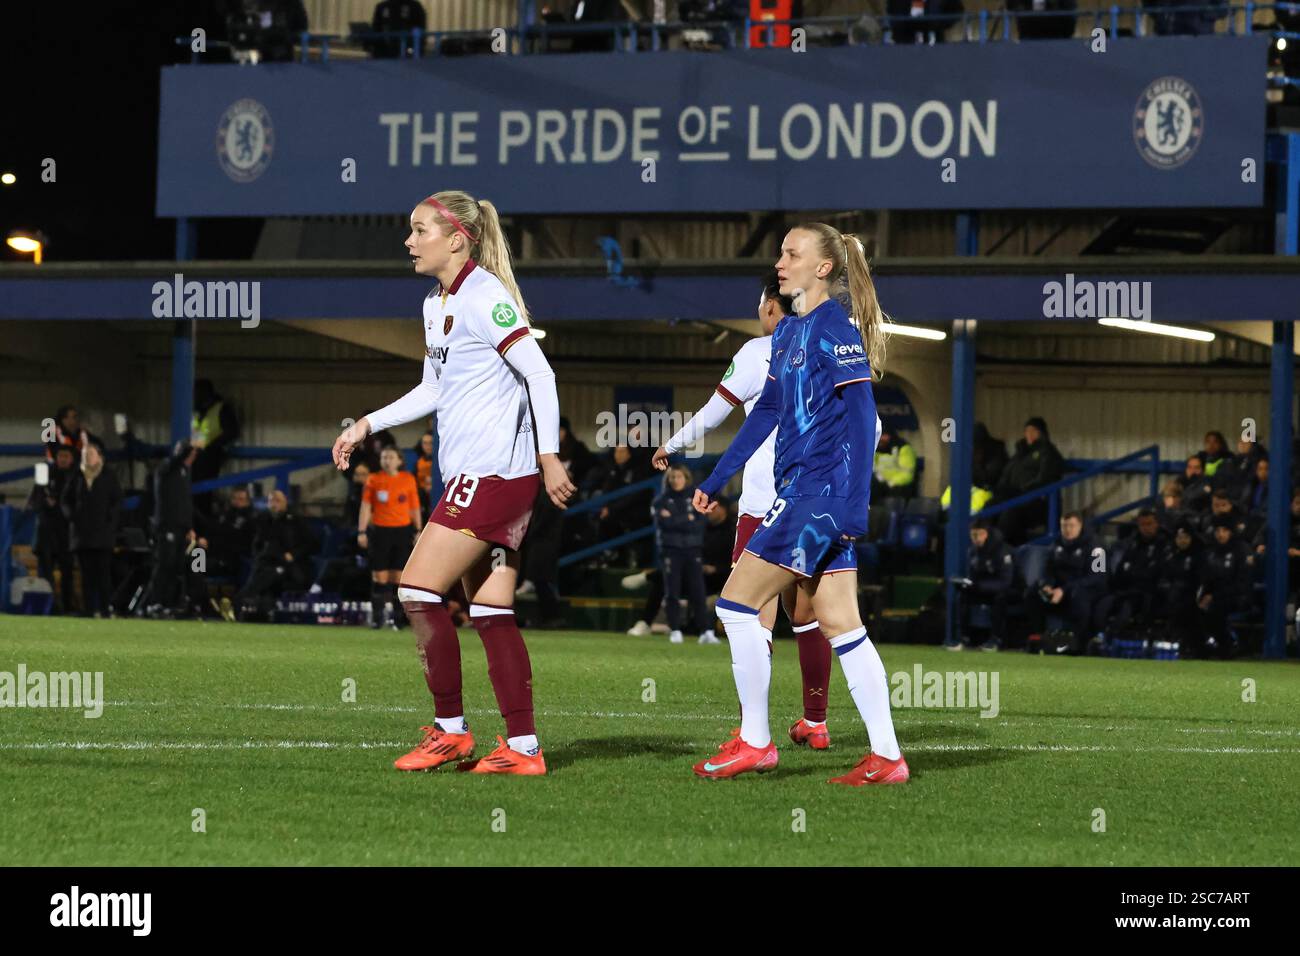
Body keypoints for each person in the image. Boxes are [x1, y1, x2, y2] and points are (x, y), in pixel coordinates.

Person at [331, 189, 574, 776]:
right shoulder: (436, 303)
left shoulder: (485, 297)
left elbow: (539, 374)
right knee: (491, 611)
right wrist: (368, 422)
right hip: (477, 478)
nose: (409, 241)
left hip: (493, 478)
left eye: (419, 231)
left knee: (416, 590)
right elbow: (434, 389)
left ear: (456, 238)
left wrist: (550, 456)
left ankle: (450, 732)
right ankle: (522, 749)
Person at [690, 222, 906, 785]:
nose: (780, 262)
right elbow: (766, 412)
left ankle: (756, 742)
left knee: (735, 605)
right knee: (842, 625)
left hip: (818, 497)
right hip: (809, 494)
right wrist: (717, 477)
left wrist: (855, 504)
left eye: (792, 253)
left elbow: (862, 416)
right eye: (781, 252)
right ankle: (887, 758)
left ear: (823, 268)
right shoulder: (789, 335)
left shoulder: (835, 327)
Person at [655, 269, 857, 749]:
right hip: (817, 501)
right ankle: (816, 721)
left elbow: (716, 411)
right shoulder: (831, 345)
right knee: (810, 617)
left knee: (749, 615)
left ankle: (753, 730)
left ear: (771, 306)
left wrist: (674, 444)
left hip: (766, 502)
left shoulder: (758, 352)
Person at [652, 465, 718, 645]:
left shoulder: (695, 498)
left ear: (686, 478)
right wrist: (686, 519)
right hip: (671, 549)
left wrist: (675, 519)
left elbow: (699, 524)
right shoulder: (661, 500)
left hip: (692, 549)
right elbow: (663, 524)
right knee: (672, 591)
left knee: (698, 591)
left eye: (679, 477)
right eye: (672, 477)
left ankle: (705, 631)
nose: (675, 480)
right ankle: (675, 630)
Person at [359, 446, 422, 630]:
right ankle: (377, 619)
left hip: (402, 531)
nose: (387, 460)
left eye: (391, 457)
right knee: (380, 576)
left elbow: (414, 507)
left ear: (399, 460)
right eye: (384, 457)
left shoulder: (408, 479)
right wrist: (362, 531)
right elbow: (365, 507)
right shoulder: (374, 479)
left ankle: (397, 620)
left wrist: (418, 530)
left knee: (398, 577)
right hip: (380, 531)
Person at [234, 489, 318, 620]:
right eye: (271, 501)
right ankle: (259, 612)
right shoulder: (263, 520)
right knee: (264, 575)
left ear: (285, 503)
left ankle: (241, 599)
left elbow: (311, 543)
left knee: (269, 575)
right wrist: (258, 556)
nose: (274, 504)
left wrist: (293, 555)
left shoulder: (296, 520)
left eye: (277, 501)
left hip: (291, 566)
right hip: (267, 562)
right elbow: (256, 544)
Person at [1028, 511, 1106, 652]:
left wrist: (1064, 590)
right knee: (1033, 593)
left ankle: (1078, 643)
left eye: (1072, 525)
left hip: (1086, 590)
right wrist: (1047, 585)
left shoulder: (1097, 547)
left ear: (1080, 526)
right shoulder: (1056, 544)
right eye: (1064, 526)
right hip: (1060, 591)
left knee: (1079, 595)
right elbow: (1048, 570)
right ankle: (1039, 638)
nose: (1068, 530)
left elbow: (1097, 577)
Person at [62, 440, 122, 618]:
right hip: (82, 536)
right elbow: (65, 500)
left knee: (103, 575)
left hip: (103, 535)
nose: (87, 457)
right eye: (85, 454)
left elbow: (117, 501)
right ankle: (88, 610)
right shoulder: (76, 476)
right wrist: (72, 517)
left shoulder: (109, 476)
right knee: (86, 576)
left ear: (99, 456)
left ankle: (105, 609)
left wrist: (110, 522)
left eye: (91, 454)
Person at [142, 440, 198, 618]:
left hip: (181, 529)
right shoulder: (166, 469)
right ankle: (154, 603)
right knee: (164, 565)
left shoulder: (184, 473)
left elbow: (185, 503)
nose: (193, 457)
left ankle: (168, 603)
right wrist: (192, 444)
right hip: (167, 526)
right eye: (190, 453)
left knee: (175, 566)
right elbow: (176, 459)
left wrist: (189, 527)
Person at [1096, 509, 1168, 640]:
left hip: (1146, 594)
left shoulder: (1164, 545)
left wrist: (1135, 574)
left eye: (1149, 524)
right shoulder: (1133, 543)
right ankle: (1100, 639)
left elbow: (1156, 573)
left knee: (1125, 609)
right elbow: (1121, 570)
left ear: (1157, 524)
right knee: (1103, 605)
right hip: (1125, 591)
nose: (1146, 528)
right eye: (1142, 525)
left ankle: (1113, 640)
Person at [992, 417, 1065, 545]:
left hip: (1036, 501)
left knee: (1010, 514)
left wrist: (1023, 492)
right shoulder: (1020, 453)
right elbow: (1006, 474)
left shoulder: (1047, 452)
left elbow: (1045, 478)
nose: (1030, 434)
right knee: (989, 507)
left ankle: (1008, 551)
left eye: (1034, 431)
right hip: (1014, 496)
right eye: (1027, 431)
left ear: (1042, 433)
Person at [27, 445, 79, 614]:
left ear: (72, 459)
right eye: (60, 456)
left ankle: (68, 608)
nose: (63, 459)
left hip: (66, 535)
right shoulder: (44, 475)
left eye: (66, 456)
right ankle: (49, 608)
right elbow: (33, 502)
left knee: (67, 574)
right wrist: (45, 502)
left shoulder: (76, 477)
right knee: (46, 575)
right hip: (46, 535)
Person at [950, 519, 1013, 652]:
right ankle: (964, 638)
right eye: (973, 535)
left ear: (986, 534)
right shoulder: (973, 552)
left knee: (1000, 598)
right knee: (963, 595)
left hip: (1008, 590)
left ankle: (996, 639)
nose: (976, 538)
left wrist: (979, 585)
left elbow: (1005, 582)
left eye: (979, 534)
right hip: (983, 589)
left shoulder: (1001, 550)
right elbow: (973, 577)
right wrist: (964, 584)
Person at [1196, 515, 1252, 657]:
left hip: (1237, 596)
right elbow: (1206, 579)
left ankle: (1226, 645)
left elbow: (1242, 583)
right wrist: (1203, 596)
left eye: (1225, 530)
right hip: (1214, 597)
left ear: (1231, 531)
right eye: (1218, 530)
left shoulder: (1241, 550)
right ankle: (1197, 646)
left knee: (1216, 609)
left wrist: (1213, 596)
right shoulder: (1211, 552)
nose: (1221, 534)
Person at [191, 379, 241, 518]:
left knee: (204, 497)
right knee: (193, 498)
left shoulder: (222, 409)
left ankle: (204, 529)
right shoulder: (196, 411)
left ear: (206, 393)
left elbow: (232, 432)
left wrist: (211, 446)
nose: (194, 396)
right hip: (193, 459)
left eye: (197, 392)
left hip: (209, 459)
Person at [872, 426, 917, 500]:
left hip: (897, 487)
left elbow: (907, 474)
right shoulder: (876, 448)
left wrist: (891, 483)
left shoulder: (903, 448)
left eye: (882, 435)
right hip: (879, 485)